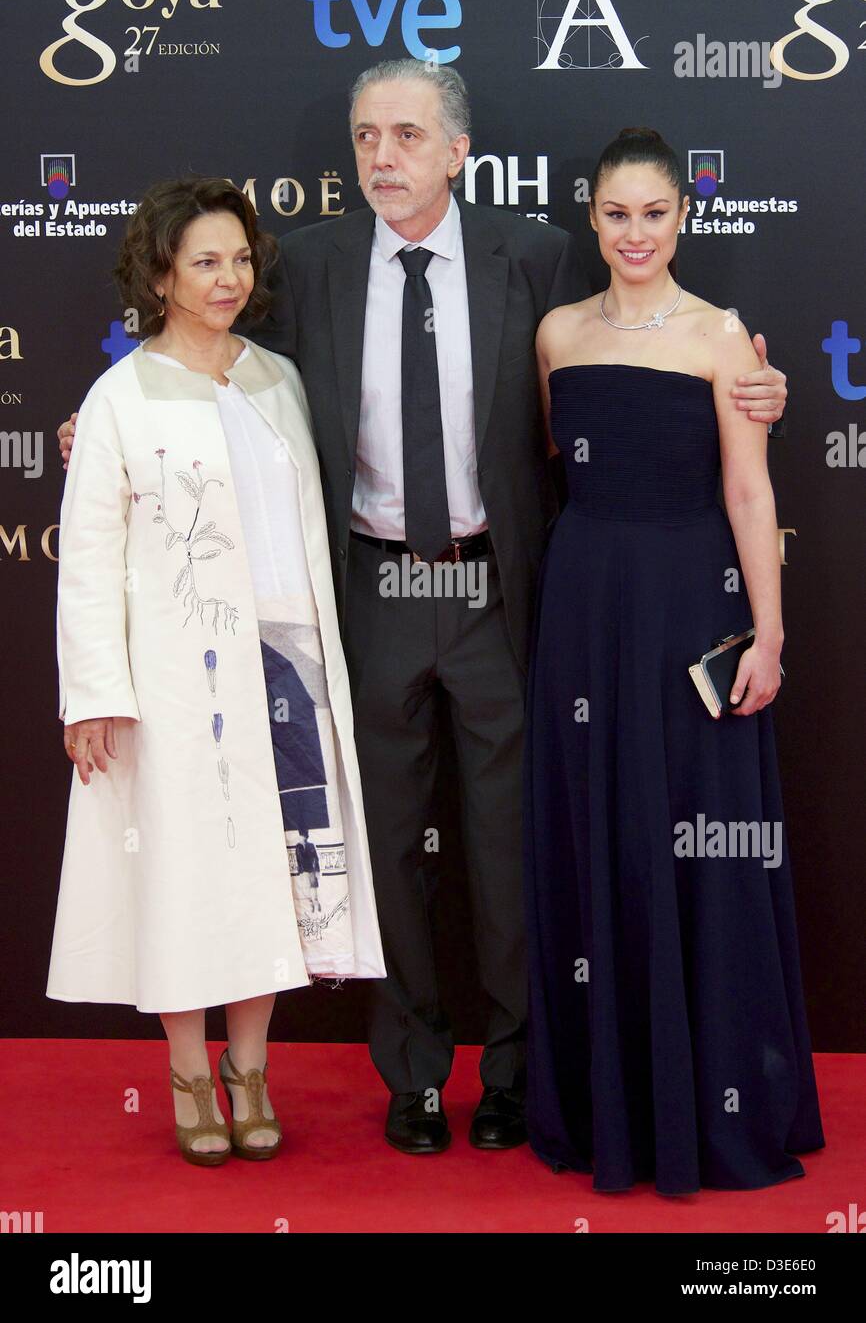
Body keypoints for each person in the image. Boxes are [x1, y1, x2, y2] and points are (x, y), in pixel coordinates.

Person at [57, 59, 789, 1156]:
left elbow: (623, 360)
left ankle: (511, 1072)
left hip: (500, 585)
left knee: (509, 842)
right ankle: (409, 1076)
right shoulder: (303, 268)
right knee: (383, 837)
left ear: (456, 151)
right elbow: (208, 366)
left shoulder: (534, 259)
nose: (381, 157)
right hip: (370, 585)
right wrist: (94, 426)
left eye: (405, 135)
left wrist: (751, 387)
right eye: (364, 137)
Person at [48, 176, 385, 1167]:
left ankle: (251, 1070)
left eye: (239, 258)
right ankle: (189, 1073)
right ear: (159, 275)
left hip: (287, 668)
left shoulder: (278, 379)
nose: (227, 277)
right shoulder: (119, 395)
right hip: (174, 683)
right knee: (187, 878)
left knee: (270, 878)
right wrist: (97, 693)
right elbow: (90, 557)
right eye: (203, 261)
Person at [523, 127, 823, 1193]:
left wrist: (769, 634)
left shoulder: (721, 338)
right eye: (615, 213)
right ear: (590, 217)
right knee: (597, 829)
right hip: (584, 605)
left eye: (654, 213)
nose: (634, 232)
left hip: (696, 603)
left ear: (682, 217)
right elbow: (558, 460)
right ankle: (608, 1101)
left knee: (695, 844)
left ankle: (709, 1101)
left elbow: (747, 492)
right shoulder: (555, 332)